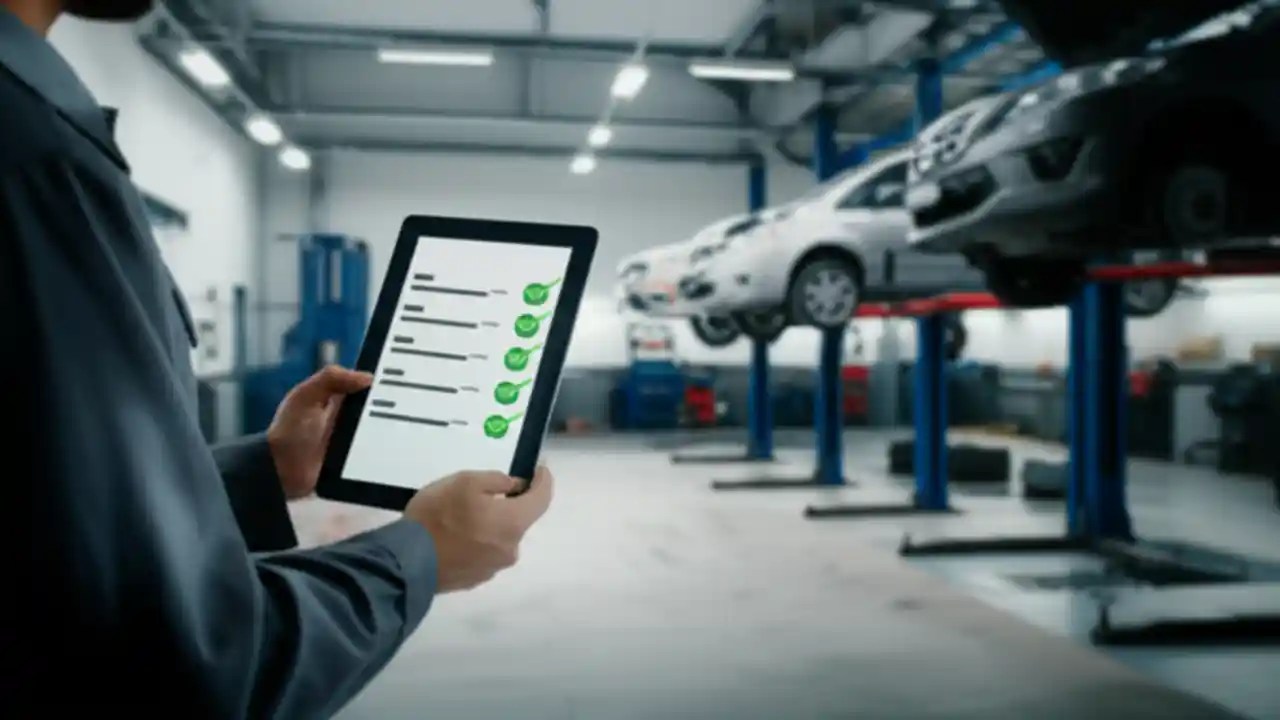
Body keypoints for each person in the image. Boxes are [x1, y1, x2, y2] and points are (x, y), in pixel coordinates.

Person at [1, 0, 555, 716]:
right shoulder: (36, 159)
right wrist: (418, 556)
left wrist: (260, 472)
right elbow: (182, 667)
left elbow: (45, 530)